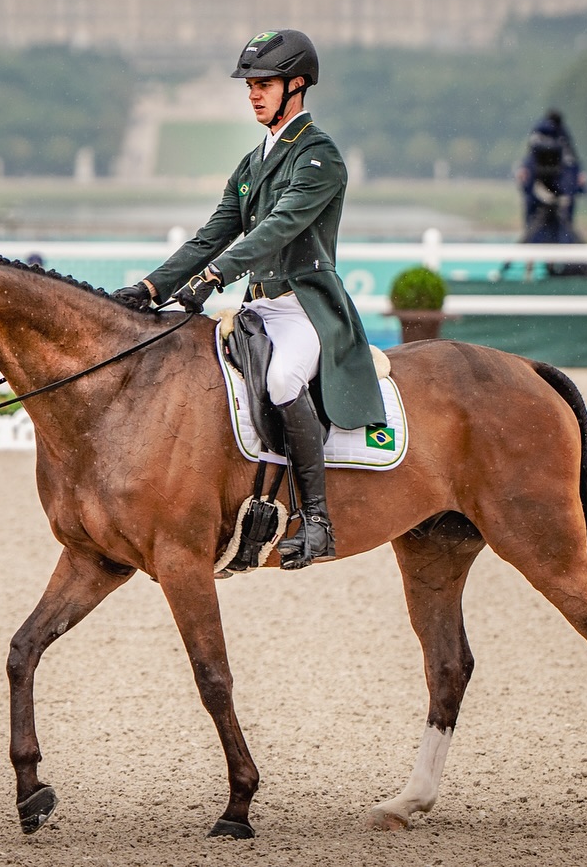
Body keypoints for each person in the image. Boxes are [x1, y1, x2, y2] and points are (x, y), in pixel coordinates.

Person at [113, 29, 386, 571]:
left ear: (297, 85)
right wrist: (150, 288)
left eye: (264, 84)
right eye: (250, 86)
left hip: (308, 307)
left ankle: (317, 521)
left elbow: (279, 229)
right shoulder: (251, 163)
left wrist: (215, 277)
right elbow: (211, 235)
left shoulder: (318, 157)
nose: (254, 95)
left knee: (284, 379)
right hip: (261, 307)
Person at [514, 109, 587, 277]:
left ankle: (528, 273)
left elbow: (528, 173)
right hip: (551, 199)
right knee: (555, 233)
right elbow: (572, 173)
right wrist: (572, 187)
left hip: (539, 200)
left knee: (534, 233)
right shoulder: (564, 143)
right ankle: (553, 270)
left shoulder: (536, 141)